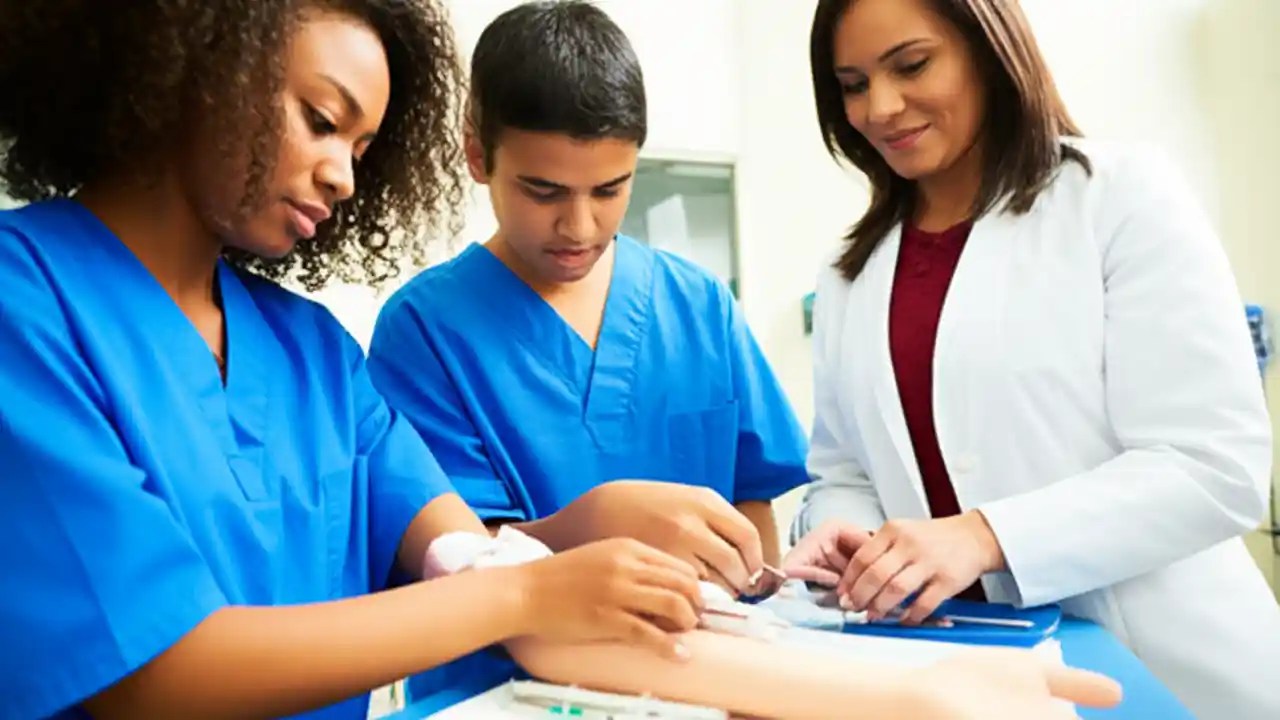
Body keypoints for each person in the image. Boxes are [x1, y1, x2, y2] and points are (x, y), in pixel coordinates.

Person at [0, 1, 1123, 718]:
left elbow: (490, 584)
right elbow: (154, 671)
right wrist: (537, 576)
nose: (344, 175)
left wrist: (906, 696)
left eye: (362, 144)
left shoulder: (311, 356)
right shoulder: (25, 302)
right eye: (318, 118)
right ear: (192, 53)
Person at [782, 0, 1280, 718]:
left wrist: (985, 538)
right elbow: (846, 469)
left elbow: (1215, 466)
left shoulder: (1117, 200)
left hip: (1171, 671)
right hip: (966, 673)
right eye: (853, 83)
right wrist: (844, 530)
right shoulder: (850, 271)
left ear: (989, 48)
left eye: (912, 65)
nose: (879, 107)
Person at [368, 2, 806, 606]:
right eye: (543, 191)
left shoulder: (699, 307)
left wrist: (758, 614)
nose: (578, 226)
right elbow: (446, 555)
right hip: (509, 689)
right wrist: (588, 524)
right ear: (477, 154)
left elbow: (750, 499)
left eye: (610, 189)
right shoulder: (426, 331)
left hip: (703, 669)